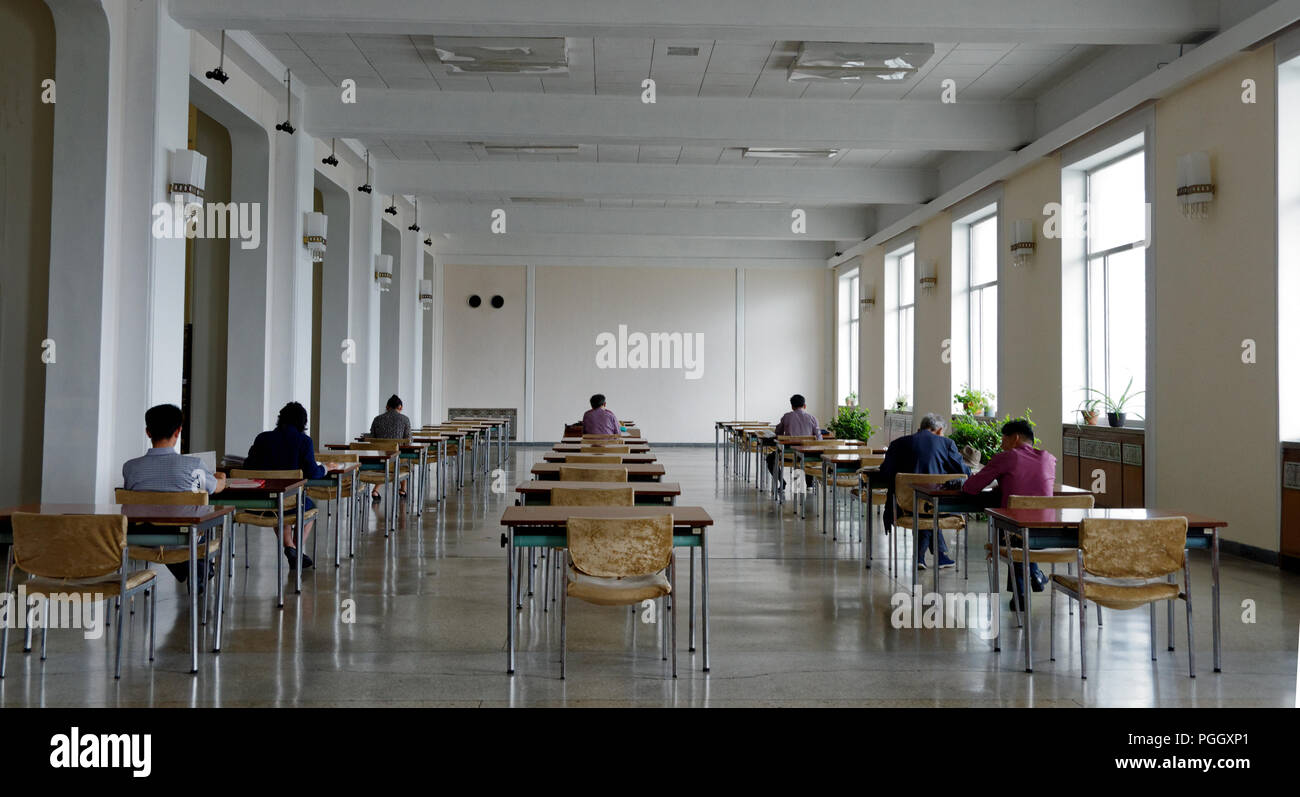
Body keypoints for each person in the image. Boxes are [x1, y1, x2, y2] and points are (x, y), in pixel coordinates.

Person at [121, 403, 226, 585]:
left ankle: (189, 566)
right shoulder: (194, 465)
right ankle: (197, 565)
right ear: (178, 431)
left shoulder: (130, 467)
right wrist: (221, 478)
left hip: (142, 535)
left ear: (148, 432)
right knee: (206, 513)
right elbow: (216, 488)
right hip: (185, 534)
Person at [960, 418, 1056, 608]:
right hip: (1048, 531)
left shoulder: (1008, 457)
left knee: (1013, 527)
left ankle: (1021, 592)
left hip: (1013, 535)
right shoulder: (1049, 458)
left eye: (1003, 439)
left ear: (1015, 438)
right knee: (1022, 528)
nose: (1001, 444)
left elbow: (971, 488)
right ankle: (1034, 575)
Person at [879, 413, 969, 570]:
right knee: (928, 505)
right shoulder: (947, 444)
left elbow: (885, 472)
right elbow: (963, 473)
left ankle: (934, 556)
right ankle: (930, 556)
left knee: (922, 505)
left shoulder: (897, 444)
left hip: (903, 505)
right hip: (935, 505)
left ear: (920, 428)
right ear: (939, 430)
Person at [244, 401, 326, 569]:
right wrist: (325, 468)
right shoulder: (304, 441)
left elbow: (247, 467)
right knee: (307, 508)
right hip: (291, 502)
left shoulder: (262, 438)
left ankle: (290, 547)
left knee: (278, 506)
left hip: (259, 503)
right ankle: (295, 549)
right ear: (303, 422)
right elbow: (312, 473)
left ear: (280, 419)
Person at [767, 394, 822, 489]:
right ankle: (810, 484)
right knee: (810, 451)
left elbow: (778, 433)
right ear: (805, 406)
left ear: (792, 406)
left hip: (789, 455)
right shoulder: (813, 418)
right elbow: (819, 439)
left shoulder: (786, 417)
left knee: (770, 459)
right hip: (807, 455)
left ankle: (782, 482)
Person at [367, 394, 411, 500]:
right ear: (400, 407)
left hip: (380, 458)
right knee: (402, 460)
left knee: (387, 463)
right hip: (397, 459)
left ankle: (376, 490)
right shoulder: (405, 419)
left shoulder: (377, 419)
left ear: (387, 407)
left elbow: (372, 438)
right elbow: (408, 440)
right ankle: (403, 489)